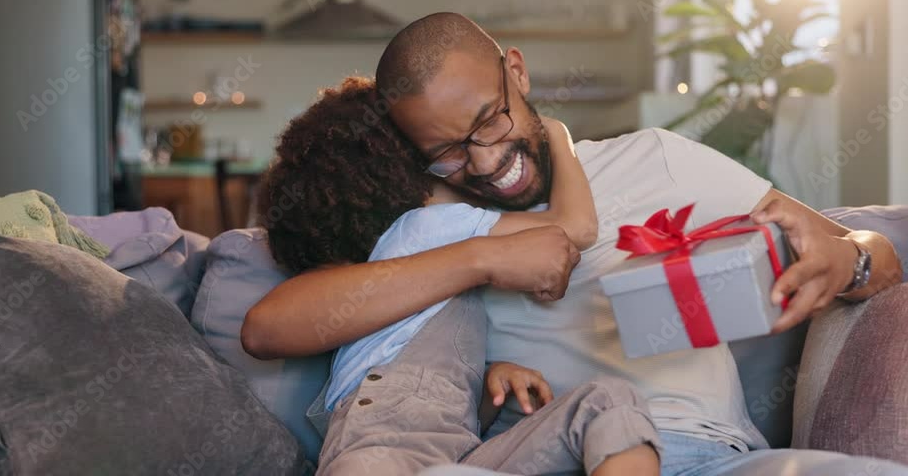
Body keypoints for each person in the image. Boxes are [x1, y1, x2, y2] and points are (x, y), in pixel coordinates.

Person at [244, 13, 908, 476]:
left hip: (707, 455)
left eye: (491, 119)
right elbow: (277, 321)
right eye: (448, 152)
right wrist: (476, 260)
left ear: (518, 71)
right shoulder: (444, 227)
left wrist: (849, 258)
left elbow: (884, 264)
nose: (483, 162)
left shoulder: (654, 160)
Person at [256, 76, 661, 476]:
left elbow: (429, 378)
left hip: (461, 453)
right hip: (382, 444)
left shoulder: (418, 255)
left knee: (609, 399)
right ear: (412, 177)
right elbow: (575, 227)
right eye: (445, 155)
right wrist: (555, 131)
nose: (476, 165)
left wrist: (487, 383)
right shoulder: (425, 224)